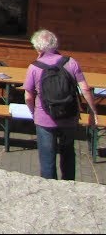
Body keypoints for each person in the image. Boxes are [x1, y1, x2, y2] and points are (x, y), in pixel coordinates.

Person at [24, 28, 98, 180]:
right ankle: (69, 185)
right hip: (69, 116)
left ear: (38, 48)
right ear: (55, 45)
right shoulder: (71, 63)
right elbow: (84, 88)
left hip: (44, 118)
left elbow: (28, 97)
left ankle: (49, 192)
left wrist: (34, 113)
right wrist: (93, 113)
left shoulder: (34, 67)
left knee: (47, 157)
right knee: (68, 152)